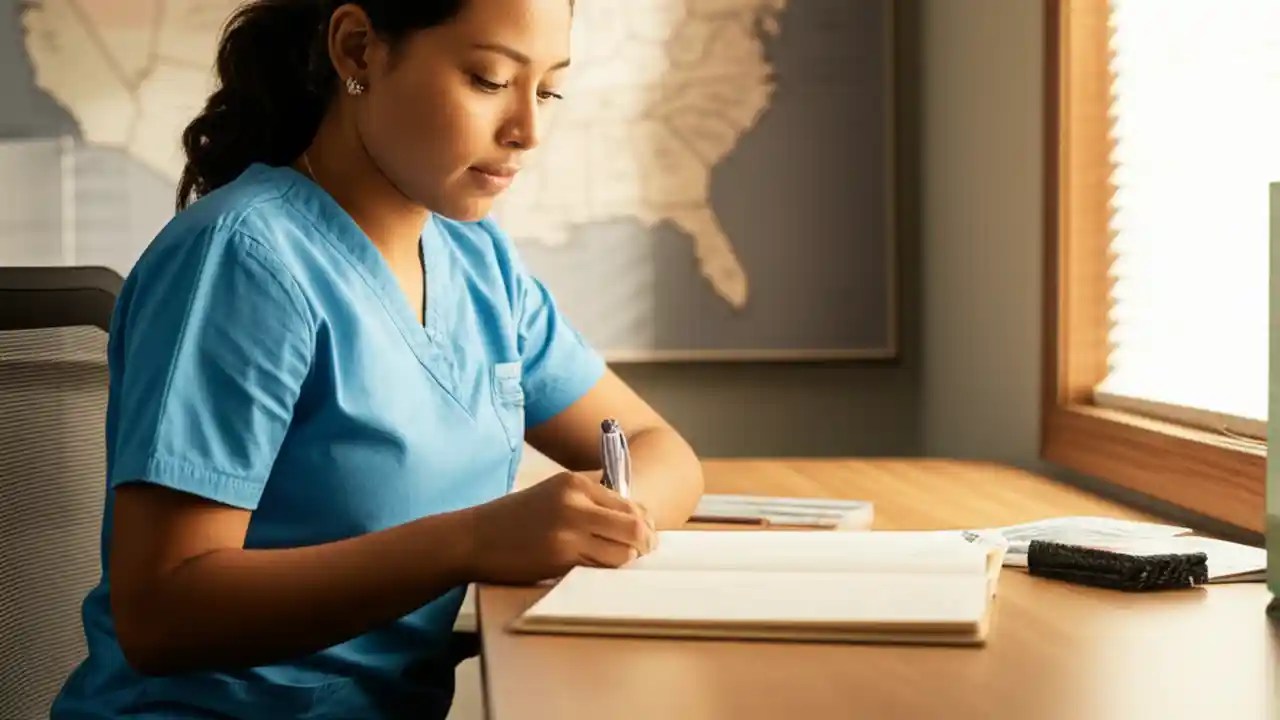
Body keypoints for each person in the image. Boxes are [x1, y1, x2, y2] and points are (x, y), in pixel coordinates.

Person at [50, 0, 704, 718]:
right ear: (359, 50)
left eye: (548, 90)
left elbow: (659, 449)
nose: (529, 131)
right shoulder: (244, 260)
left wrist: (612, 520)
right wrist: (476, 540)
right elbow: (162, 614)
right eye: (488, 80)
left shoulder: (478, 262)